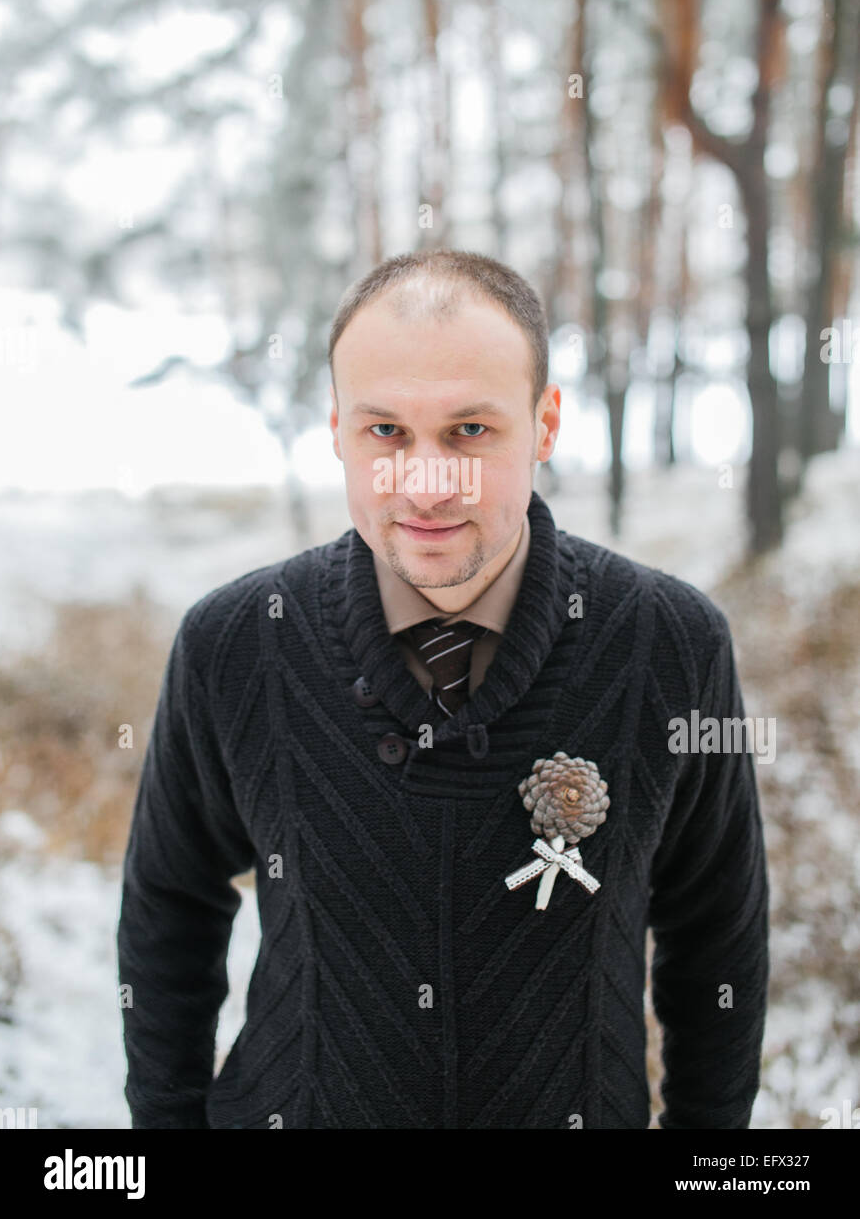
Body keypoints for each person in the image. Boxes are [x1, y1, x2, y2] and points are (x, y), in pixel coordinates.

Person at [116, 248, 769, 1129]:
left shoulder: (673, 644)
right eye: (386, 432)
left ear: (544, 426)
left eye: (470, 431)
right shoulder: (234, 642)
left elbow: (716, 936)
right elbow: (170, 911)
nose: (425, 485)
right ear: (338, 430)